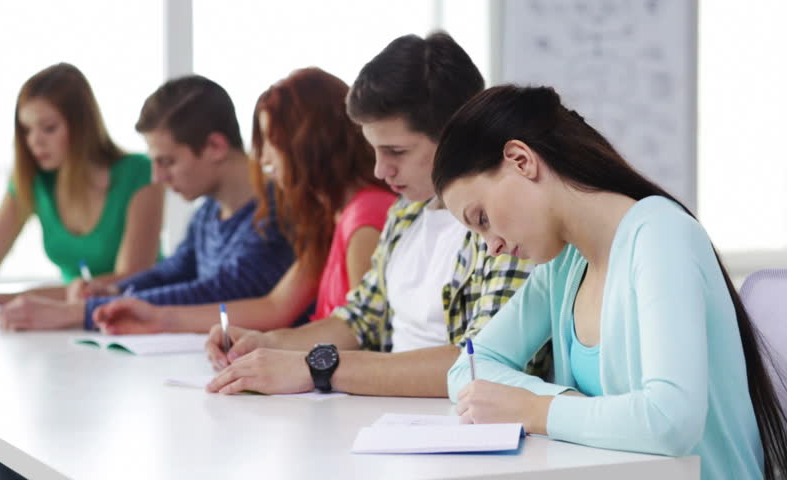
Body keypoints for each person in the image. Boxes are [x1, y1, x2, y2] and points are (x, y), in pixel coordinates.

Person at [436, 85, 787, 480]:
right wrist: (565, 401)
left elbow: (670, 421)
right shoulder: (563, 267)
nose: (492, 247)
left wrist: (535, 409)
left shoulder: (660, 235)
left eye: (482, 219)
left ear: (521, 161)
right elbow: (466, 370)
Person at [202, 32, 544, 398]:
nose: (381, 171)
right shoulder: (406, 211)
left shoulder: (506, 226)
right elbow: (359, 320)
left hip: (453, 420)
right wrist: (267, 344)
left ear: (456, 136)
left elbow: (481, 365)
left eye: (396, 151)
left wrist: (317, 367)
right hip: (388, 414)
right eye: (375, 151)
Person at [93, 67, 396, 334]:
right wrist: (159, 317)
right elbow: (276, 306)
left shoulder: (363, 217)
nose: (264, 159)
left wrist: (272, 351)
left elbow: (361, 338)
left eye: (271, 142)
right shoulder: (331, 218)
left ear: (309, 142)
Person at [0, 74, 302, 331]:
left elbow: (222, 291)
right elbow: (173, 270)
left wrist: (85, 311)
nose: (157, 177)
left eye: (167, 161)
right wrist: (115, 289)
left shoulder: (276, 212)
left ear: (215, 146)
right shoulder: (208, 213)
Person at [0, 63, 163, 325]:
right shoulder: (31, 180)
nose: (34, 141)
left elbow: (129, 278)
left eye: (49, 128)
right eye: (26, 130)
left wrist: (9, 299)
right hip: (69, 324)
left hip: (137, 320)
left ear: (82, 127)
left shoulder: (139, 172)